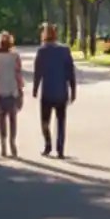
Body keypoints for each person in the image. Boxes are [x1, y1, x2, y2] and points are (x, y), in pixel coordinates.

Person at [33, 23, 76, 158]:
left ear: (44, 35)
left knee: (45, 121)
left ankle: (48, 145)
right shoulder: (64, 50)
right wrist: (73, 89)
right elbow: (70, 72)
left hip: (47, 92)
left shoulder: (42, 51)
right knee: (61, 121)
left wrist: (35, 88)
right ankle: (60, 149)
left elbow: (37, 72)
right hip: (61, 92)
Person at [0, 31, 24, 157]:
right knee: (13, 119)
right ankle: (12, 142)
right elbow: (18, 74)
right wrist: (21, 90)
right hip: (12, 90)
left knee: (1, 119)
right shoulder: (15, 56)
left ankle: (3, 145)